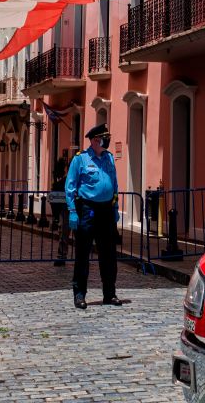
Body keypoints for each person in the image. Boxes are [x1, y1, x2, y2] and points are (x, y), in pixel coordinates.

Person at [66, 124, 121, 310]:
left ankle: (109, 293)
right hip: (87, 209)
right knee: (83, 253)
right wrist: (73, 211)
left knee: (109, 254)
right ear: (95, 140)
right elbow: (70, 187)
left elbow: (114, 184)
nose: (107, 141)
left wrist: (115, 207)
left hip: (106, 209)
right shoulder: (80, 159)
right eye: (104, 138)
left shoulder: (109, 158)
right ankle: (79, 294)